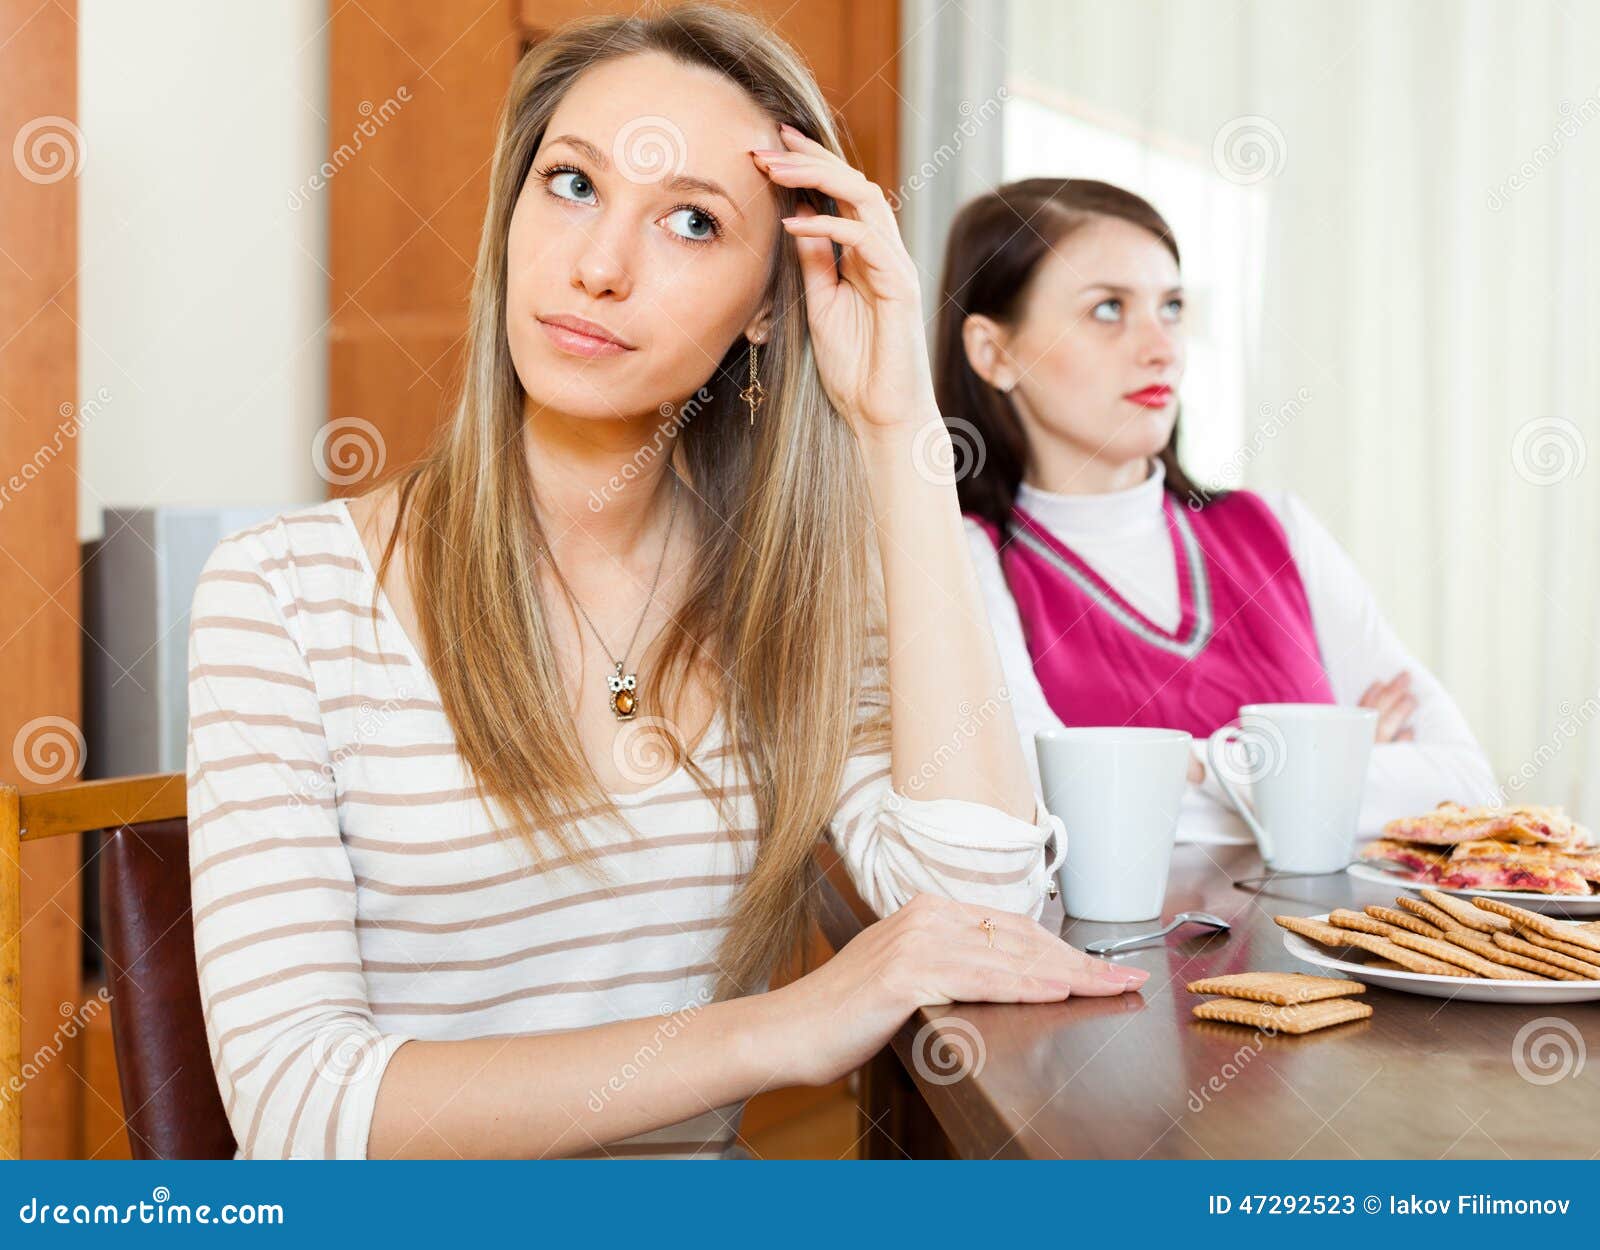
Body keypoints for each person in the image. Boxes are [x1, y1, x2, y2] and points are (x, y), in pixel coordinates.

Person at [185, 9, 1149, 1162]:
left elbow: (983, 919)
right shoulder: (282, 594)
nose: (599, 266)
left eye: (691, 221)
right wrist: (791, 1024)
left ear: (764, 305)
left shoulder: (788, 604)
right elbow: (302, 1106)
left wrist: (896, 424)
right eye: (572, 184)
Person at [935, 178, 1497, 843]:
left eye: (1171, 307)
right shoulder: (968, 563)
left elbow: (1465, 787)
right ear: (994, 353)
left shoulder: (1275, 528)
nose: (1163, 348)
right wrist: (1329, 765)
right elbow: (1043, 817)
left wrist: (1202, 766)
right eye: (1109, 309)